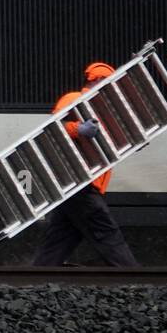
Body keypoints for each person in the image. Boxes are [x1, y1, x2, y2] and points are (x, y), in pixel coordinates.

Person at [32, 61, 139, 267]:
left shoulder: (103, 110)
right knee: (106, 232)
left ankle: (36, 277)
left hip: (82, 183)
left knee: (61, 239)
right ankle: (133, 277)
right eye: (108, 82)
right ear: (97, 79)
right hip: (80, 182)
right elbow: (54, 128)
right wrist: (78, 128)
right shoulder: (75, 98)